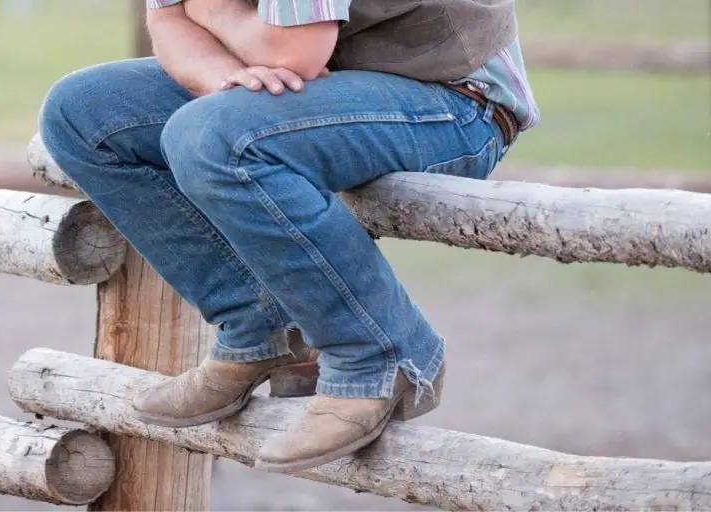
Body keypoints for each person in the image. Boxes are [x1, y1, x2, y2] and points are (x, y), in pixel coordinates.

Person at [38, 0, 539, 472]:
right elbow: (168, 21)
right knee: (81, 113)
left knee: (211, 136)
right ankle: (260, 329)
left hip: (453, 100)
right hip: (321, 85)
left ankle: (381, 356)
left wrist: (214, 11)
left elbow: (294, 51)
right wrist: (223, 80)